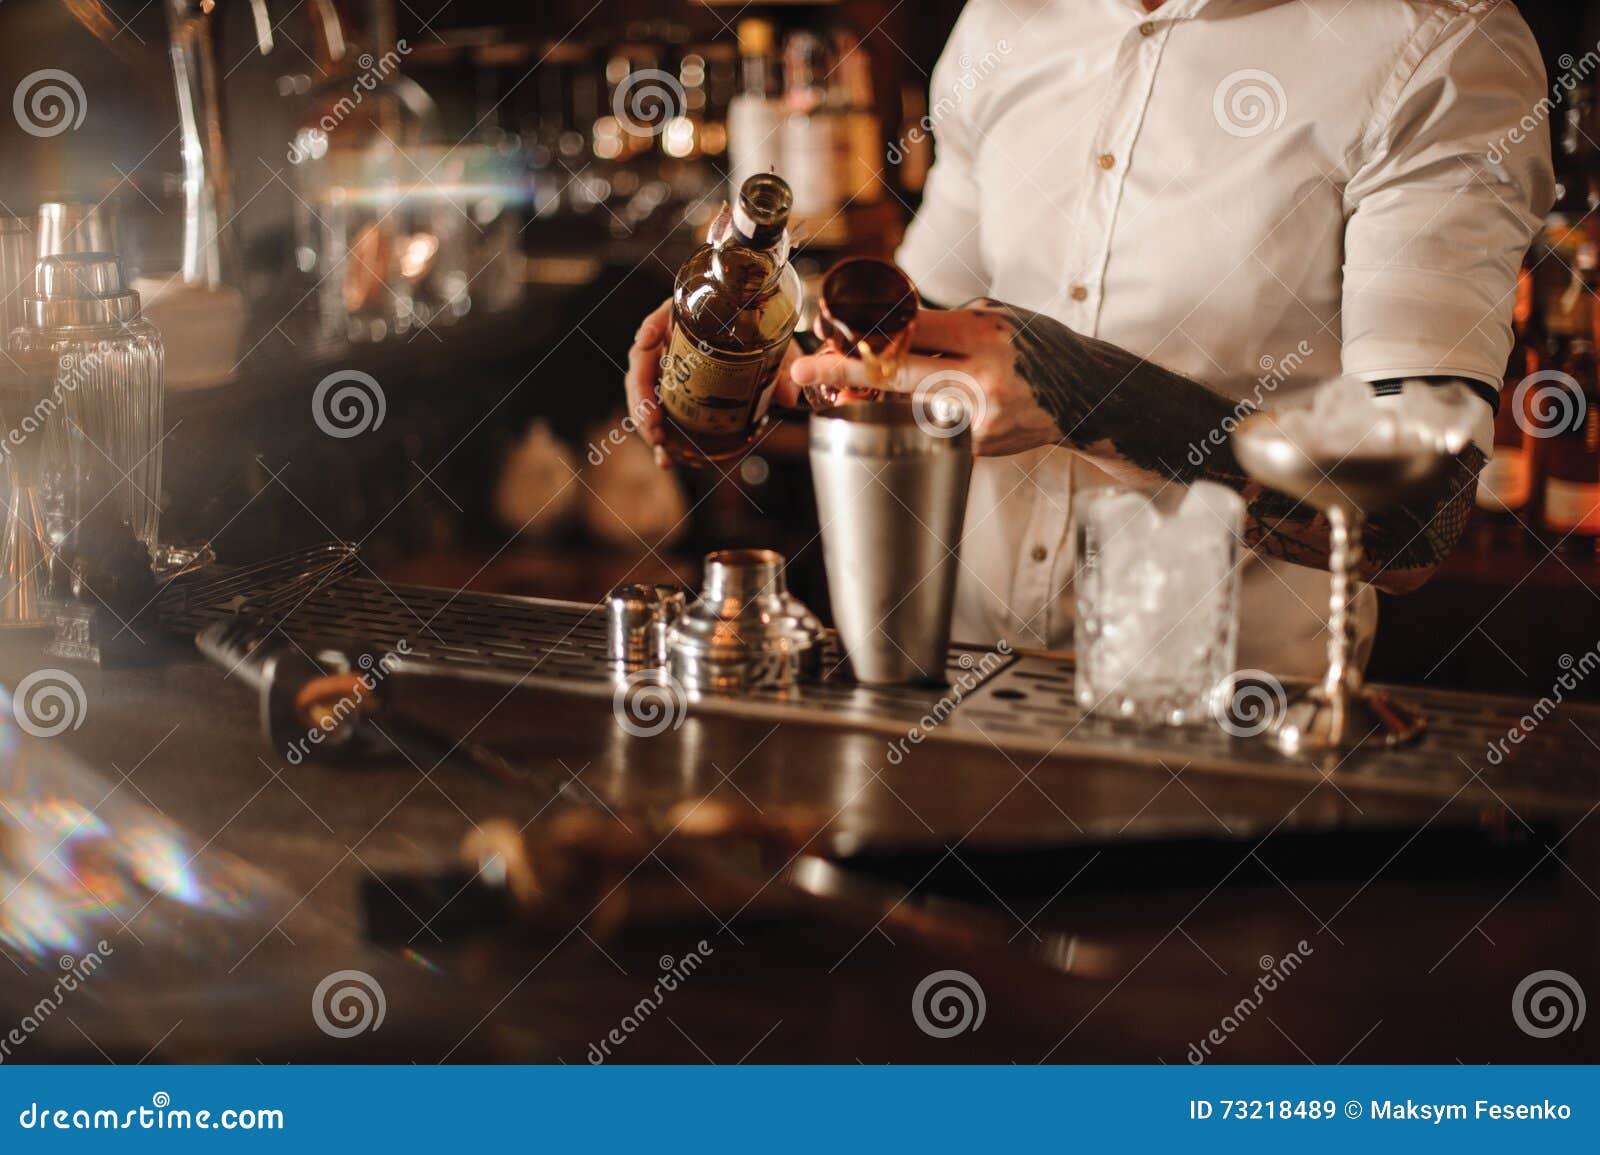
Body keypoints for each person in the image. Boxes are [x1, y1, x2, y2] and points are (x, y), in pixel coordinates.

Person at [625, 0, 1554, 676]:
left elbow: (1421, 518)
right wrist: (766, 360)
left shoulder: (1440, 47)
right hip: (964, 688)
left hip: (1237, 731)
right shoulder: (1003, 24)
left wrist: (1087, 397)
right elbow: (913, 329)